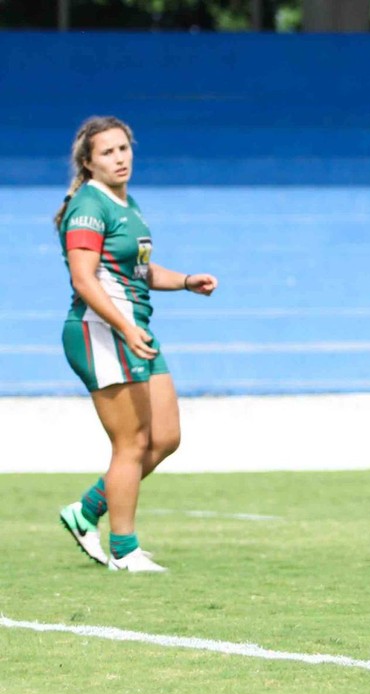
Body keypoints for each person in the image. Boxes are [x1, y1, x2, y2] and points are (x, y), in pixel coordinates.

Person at [55, 116, 218, 572]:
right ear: (88, 163)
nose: (119, 158)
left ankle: (86, 511)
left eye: (124, 148)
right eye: (107, 152)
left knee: (165, 438)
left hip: (135, 329)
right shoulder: (87, 207)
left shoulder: (127, 205)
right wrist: (125, 328)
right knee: (131, 443)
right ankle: (124, 552)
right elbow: (84, 280)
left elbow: (140, 271)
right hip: (102, 330)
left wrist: (186, 281)